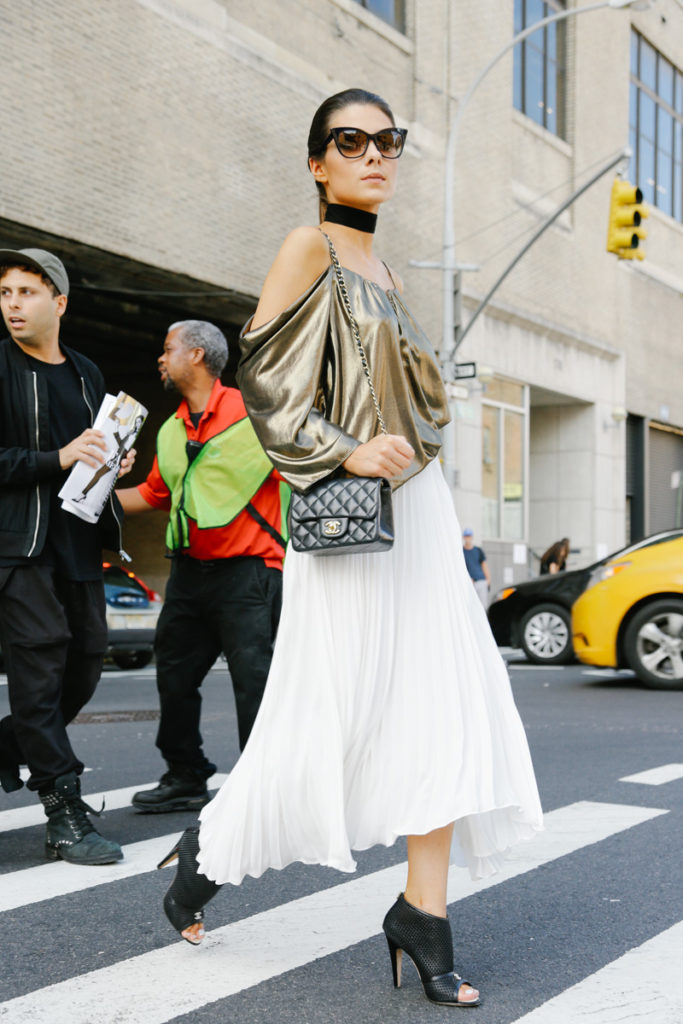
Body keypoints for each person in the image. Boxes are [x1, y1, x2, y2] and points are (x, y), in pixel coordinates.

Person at [158, 89, 542, 1008]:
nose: (374, 155)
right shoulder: (311, 247)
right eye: (350, 140)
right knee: (327, 710)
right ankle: (210, 848)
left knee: (441, 705)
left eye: (387, 141)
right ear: (316, 160)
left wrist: (427, 478)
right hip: (353, 513)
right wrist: (344, 450)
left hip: (413, 513)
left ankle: (422, 913)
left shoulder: (392, 272)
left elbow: (414, 403)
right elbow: (263, 381)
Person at [0, 247, 135, 865]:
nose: (13, 305)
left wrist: (113, 463)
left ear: (59, 302)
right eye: (6, 293)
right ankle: (63, 811)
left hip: (77, 543)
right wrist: (56, 457)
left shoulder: (85, 373)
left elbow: (92, 453)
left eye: (27, 292)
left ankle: (8, 749)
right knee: (39, 669)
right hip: (18, 548)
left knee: (83, 666)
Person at [116, 320, 286, 813]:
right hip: (189, 573)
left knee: (253, 682)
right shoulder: (169, 429)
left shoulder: (253, 413)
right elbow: (155, 493)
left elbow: (303, 465)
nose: (160, 359)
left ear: (195, 356)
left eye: (167, 348)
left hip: (250, 571)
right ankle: (186, 776)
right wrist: (88, 500)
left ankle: (265, 789)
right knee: (173, 675)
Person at [462, 528, 490, 608]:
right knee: (470, 606)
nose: (468, 538)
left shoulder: (478, 550)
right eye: (466, 536)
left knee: (482, 606)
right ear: (464, 537)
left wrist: (488, 580)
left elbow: (484, 565)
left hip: (481, 581)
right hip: (469, 583)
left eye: (469, 536)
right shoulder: (461, 551)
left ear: (472, 537)